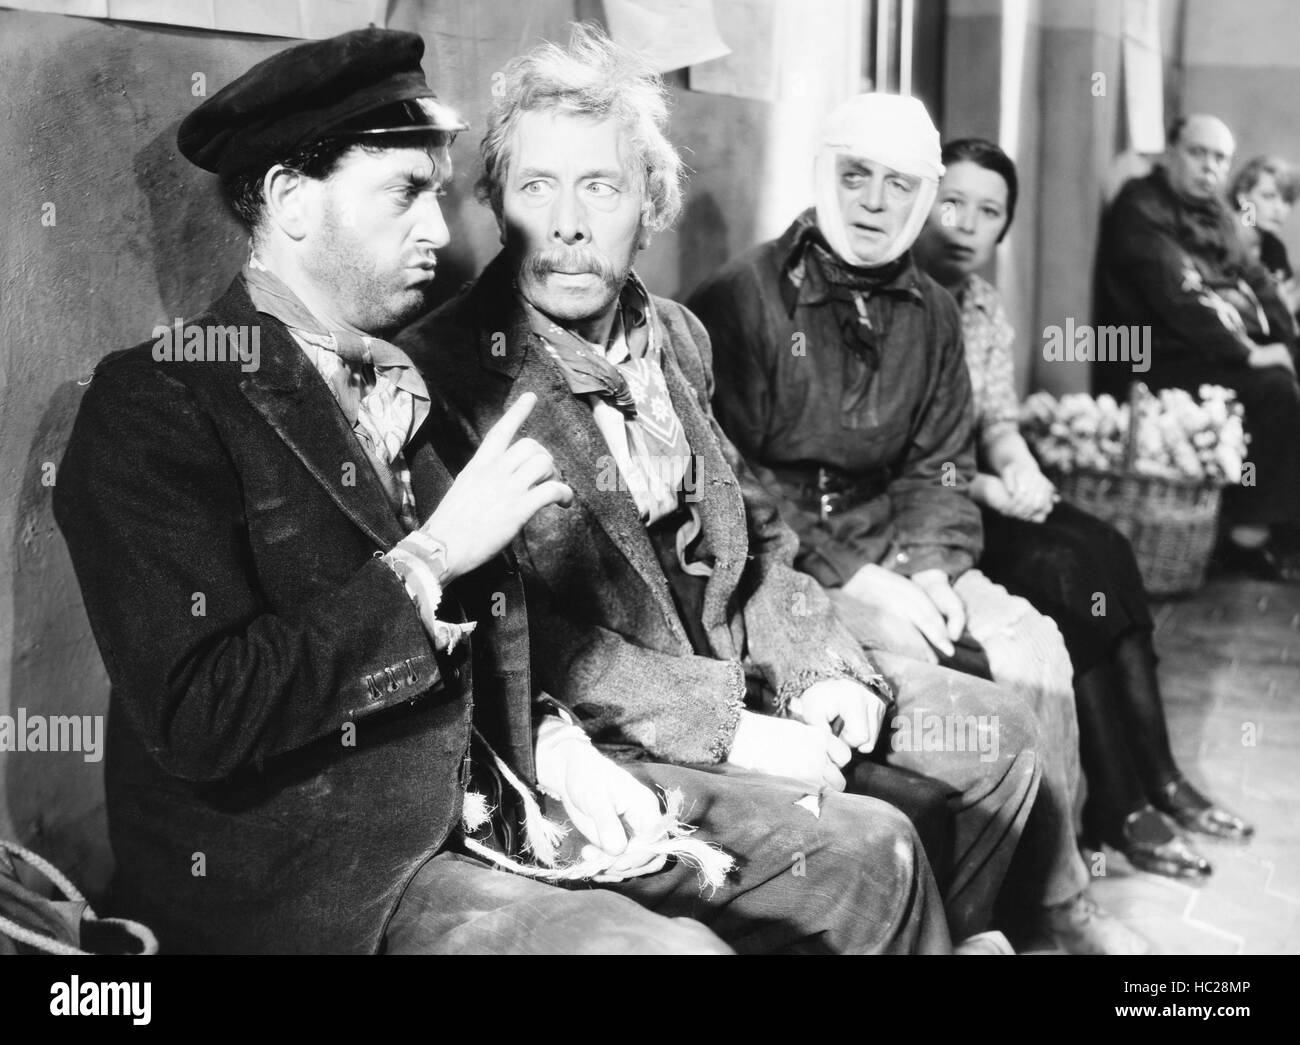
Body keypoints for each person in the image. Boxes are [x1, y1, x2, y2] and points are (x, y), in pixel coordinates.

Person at [52, 29, 948, 955]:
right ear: (289, 201)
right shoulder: (162, 398)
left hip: (502, 790)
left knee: (869, 853)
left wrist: (557, 749)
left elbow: (512, 639)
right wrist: (432, 556)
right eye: (404, 194)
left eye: (436, 194)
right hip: (324, 870)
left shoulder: (402, 381)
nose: (440, 232)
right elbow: (203, 714)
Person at [400, 25, 1047, 950]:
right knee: (880, 846)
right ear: (498, 202)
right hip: (616, 722)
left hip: (744, 650)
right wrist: (732, 729)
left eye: (603, 186)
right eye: (537, 186)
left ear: (651, 204)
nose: (570, 224)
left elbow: (759, 538)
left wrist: (823, 665)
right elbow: (525, 642)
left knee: (1005, 737)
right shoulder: (450, 371)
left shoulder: (676, 335)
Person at [689, 93, 1151, 954]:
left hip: (903, 540)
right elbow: (730, 484)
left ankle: (1058, 906)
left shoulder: (934, 311)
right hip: (791, 563)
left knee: (1037, 646)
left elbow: (941, 463)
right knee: (916, 655)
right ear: (821, 174)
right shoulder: (741, 299)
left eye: (899, 184)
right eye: (854, 176)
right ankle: (970, 922)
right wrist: (860, 578)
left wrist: (932, 563)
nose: (873, 202)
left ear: (924, 195)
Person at [914, 137, 1255, 880]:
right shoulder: (901, 299)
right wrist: (987, 488)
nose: (968, 225)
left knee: (1107, 543)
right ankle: (1121, 806)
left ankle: (1160, 777)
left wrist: (1023, 467)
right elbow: (902, 462)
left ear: (1005, 225)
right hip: (931, 507)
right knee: (1067, 570)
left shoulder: (983, 304)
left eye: (990, 211)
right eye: (953, 203)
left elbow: (997, 420)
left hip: (981, 483)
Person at [1095, 115, 1300, 582]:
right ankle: (1247, 539)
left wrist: (1290, 341)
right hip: (1158, 360)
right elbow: (1178, 296)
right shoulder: (1141, 205)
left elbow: (1257, 279)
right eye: (1198, 153)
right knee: (1274, 388)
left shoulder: (1221, 216)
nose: (1209, 167)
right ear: (1170, 153)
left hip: (1210, 352)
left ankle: (1289, 525)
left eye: (1220, 158)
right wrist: (1249, 353)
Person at [1229, 155, 1300, 313]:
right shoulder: (1220, 236)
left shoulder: (1274, 248)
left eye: (1286, 200)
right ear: (1242, 196)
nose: (1279, 209)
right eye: (1268, 197)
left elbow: (1287, 310)